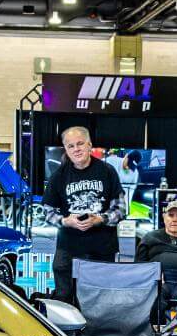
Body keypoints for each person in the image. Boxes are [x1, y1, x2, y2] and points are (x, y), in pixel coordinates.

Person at [43, 125, 124, 301]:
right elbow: (47, 212)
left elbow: (121, 209)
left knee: (100, 297)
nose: (76, 149)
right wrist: (65, 221)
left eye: (80, 144)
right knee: (64, 296)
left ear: (89, 145)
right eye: (70, 146)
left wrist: (100, 219)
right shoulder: (59, 176)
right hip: (68, 247)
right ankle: (66, 329)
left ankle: (98, 329)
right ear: (65, 149)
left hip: (102, 247)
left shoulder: (107, 171)